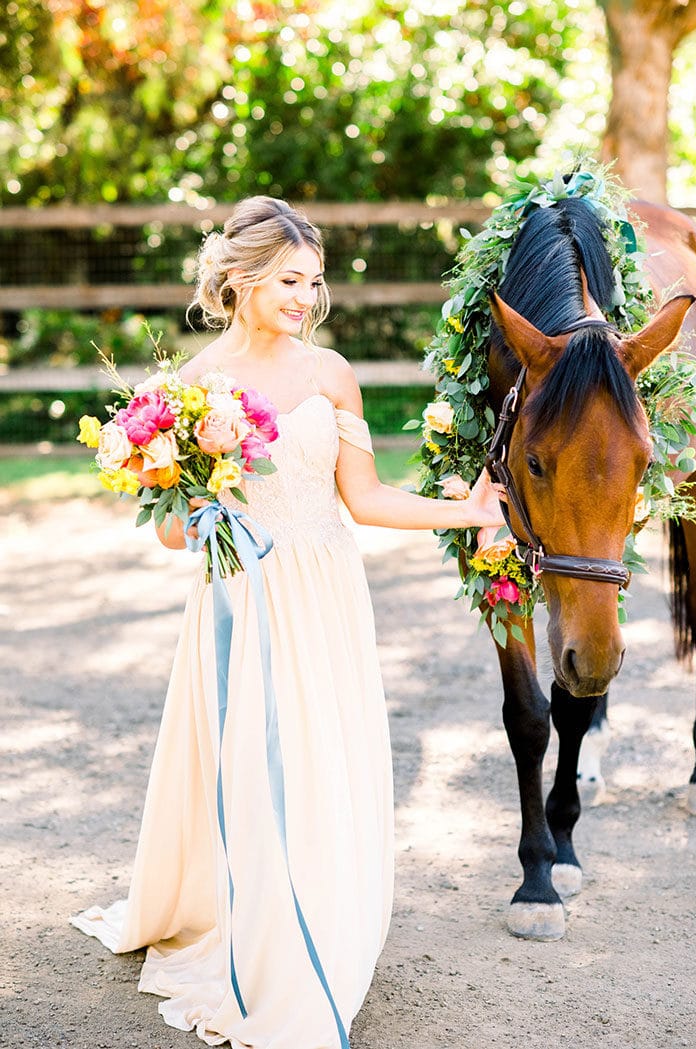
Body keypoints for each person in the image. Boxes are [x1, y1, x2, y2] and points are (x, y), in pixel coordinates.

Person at [71, 196, 505, 1049]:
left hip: (327, 590)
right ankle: (255, 919)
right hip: (240, 598)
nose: (306, 297)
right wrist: (195, 520)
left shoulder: (329, 372)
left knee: (321, 754)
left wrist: (470, 513)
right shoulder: (190, 388)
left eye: (313, 281)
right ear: (240, 280)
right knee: (254, 761)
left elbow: (366, 499)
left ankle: (326, 908)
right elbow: (167, 524)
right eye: (288, 281)